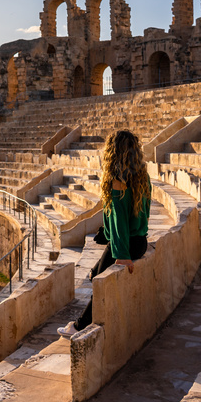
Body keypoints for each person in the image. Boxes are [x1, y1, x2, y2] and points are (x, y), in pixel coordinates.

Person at [58, 129, 151, 338]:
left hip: (124, 246)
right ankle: (82, 320)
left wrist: (122, 256)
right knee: (94, 274)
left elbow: (119, 223)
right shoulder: (142, 177)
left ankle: (79, 327)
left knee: (99, 286)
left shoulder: (118, 182)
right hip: (140, 241)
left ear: (112, 152)